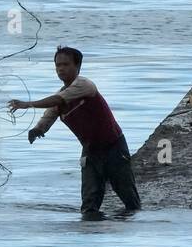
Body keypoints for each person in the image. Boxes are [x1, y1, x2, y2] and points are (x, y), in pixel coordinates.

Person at [8, 47, 141, 221]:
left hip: (113, 147)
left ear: (77, 66)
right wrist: (37, 130)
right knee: (89, 204)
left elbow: (57, 100)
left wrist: (28, 104)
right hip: (90, 152)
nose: (61, 69)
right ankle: (93, 236)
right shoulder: (60, 96)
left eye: (65, 64)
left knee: (129, 198)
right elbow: (49, 115)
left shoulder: (85, 85)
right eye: (57, 65)